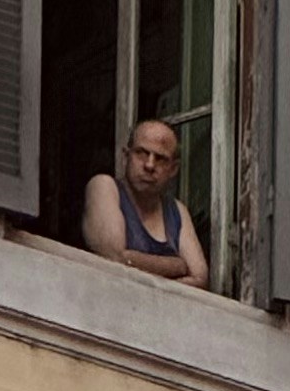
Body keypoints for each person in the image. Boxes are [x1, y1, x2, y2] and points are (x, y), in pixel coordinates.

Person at [81, 122, 207, 284]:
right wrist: (178, 265)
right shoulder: (104, 186)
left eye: (160, 158)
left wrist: (133, 259)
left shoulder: (177, 210)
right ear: (126, 156)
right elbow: (114, 259)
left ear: (173, 169)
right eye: (141, 153)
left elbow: (200, 278)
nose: (149, 165)